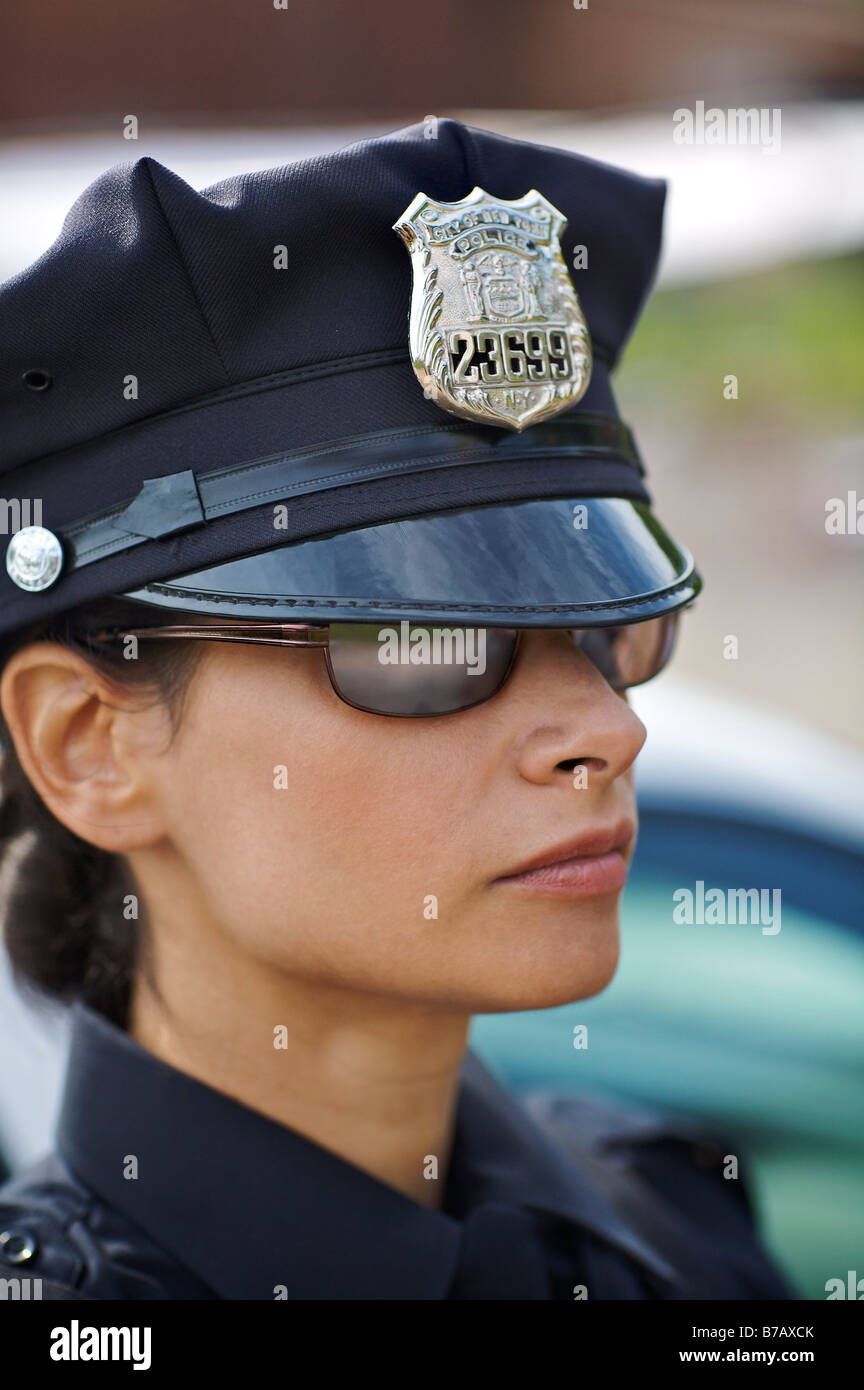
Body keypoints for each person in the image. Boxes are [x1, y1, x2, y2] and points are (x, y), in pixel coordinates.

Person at [0, 119, 796, 1300]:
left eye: (605, 628)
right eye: (429, 645)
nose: (610, 732)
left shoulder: (679, 1229)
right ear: (90, 744)